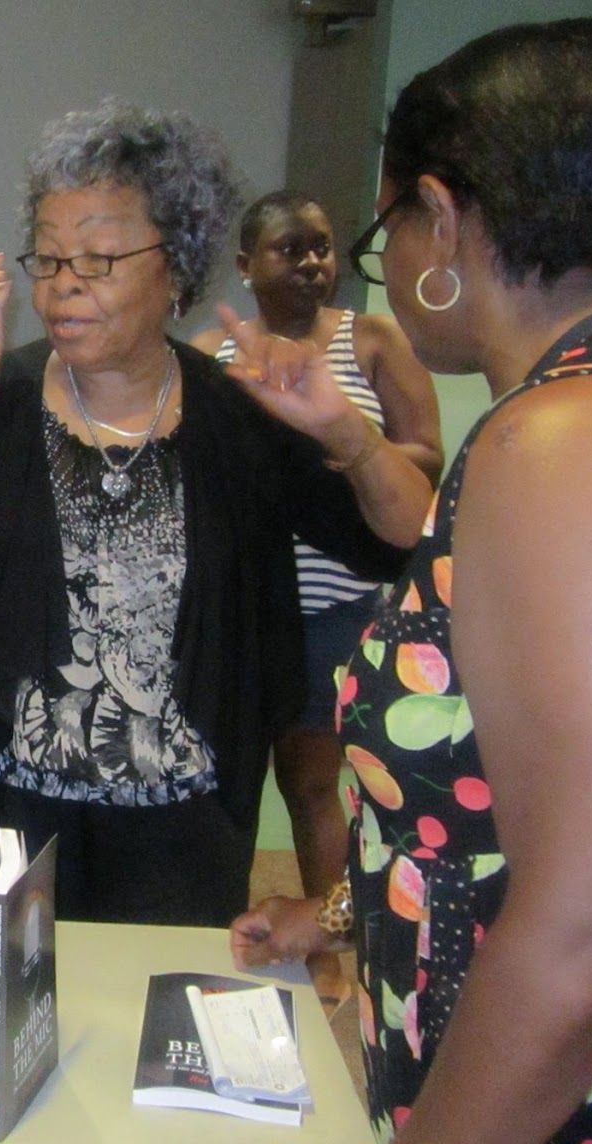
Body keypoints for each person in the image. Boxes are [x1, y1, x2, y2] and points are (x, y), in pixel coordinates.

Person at [216, 18, 592, 1144]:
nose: (384, 262)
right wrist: (352, 905)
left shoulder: (568, 442)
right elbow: (523, 791)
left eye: (383, 230)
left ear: (440, 222)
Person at [0, 100, 425, 925]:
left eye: (100, 258)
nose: (65, 284)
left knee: (158, 1030)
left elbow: (403, 539)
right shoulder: (1, 399)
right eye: (51, 258)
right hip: (16, 817)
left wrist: (345, 426)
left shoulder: (238, 415)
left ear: (179, 265)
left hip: (185, 824)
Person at [192, 193, 440, 999]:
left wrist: (327, 447)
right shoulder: (209, 356)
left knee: (312, 785)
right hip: (241, 611)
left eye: (323, 248)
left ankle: (327, 945)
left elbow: (427, 458)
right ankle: (219, 924)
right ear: (244, 265)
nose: (310, 264)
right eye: (288, 249)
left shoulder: (374, 340)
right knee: (220, 780)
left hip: (341, 608)